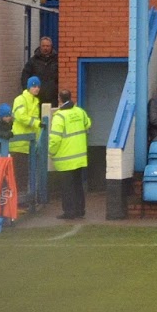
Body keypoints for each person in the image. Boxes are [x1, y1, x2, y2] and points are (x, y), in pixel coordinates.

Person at [48, 90, 91, 220]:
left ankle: (69, 211)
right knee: (78, 184)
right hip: (79, 156)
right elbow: (88, 124)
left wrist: (51, 152)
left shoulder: (59, 116)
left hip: (65, 158)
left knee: (67, 187)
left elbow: (55, 138)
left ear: (59, 99)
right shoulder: (80, 112)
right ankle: (80, 209)